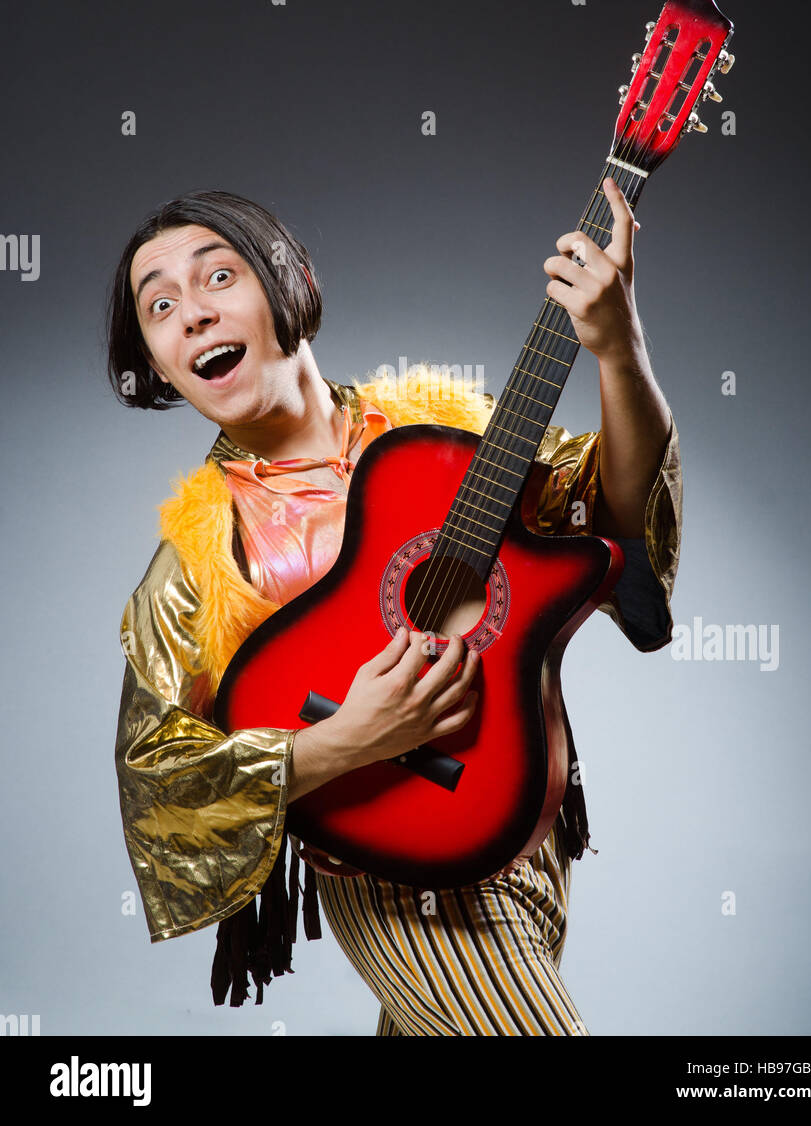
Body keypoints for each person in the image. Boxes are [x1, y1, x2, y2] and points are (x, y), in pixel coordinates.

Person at [110, 183, 681, 1036]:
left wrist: (618, 350)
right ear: (157, 363)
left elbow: (609, 516)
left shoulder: (441, 436)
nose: (190, 313)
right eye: (159, 305)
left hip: (524, 819)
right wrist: (345, 741)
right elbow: (159, 779)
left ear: (290, 280)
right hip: (392, 872)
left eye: (216, 278)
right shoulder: (201, 557)